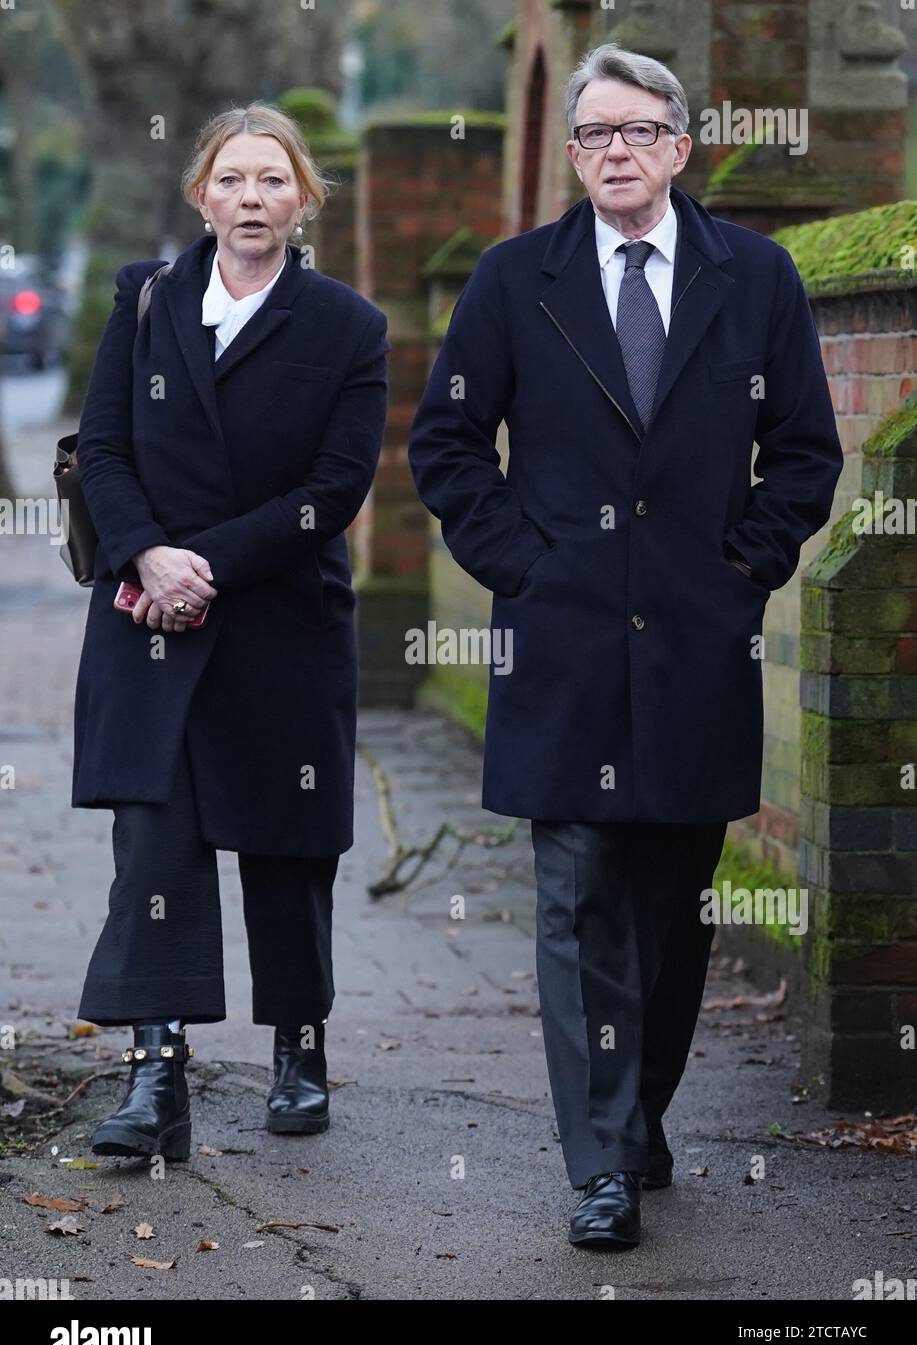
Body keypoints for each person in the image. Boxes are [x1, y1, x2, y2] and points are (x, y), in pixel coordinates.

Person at [408, 43, 843, 1247]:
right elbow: (445, 447)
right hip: (562, 650)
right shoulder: (512, 280)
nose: (613, 150)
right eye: (592, 133)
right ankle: (597, 1160)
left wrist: (741, 564)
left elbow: (802, 451)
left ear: (679, 144)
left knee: (672, 906)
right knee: (577, 896)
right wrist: (526, 565)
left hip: (696, 648)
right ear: (574, 154)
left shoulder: (751, 277)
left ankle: (638, 1111)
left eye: (636, 131)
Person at [71, 101, 389, 1161]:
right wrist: (150, 557)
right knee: (153, 850)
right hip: (145, 615)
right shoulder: (148, 296)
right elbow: (103, 450)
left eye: (272, 180)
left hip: (280, 617)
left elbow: (335, 487)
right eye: (231, 179)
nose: (250, 198)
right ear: (200, 193)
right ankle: (154, 1078)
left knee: (288, 847)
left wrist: (209, 567)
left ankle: (299, 1051)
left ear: (304, 198)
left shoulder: (347, 324)